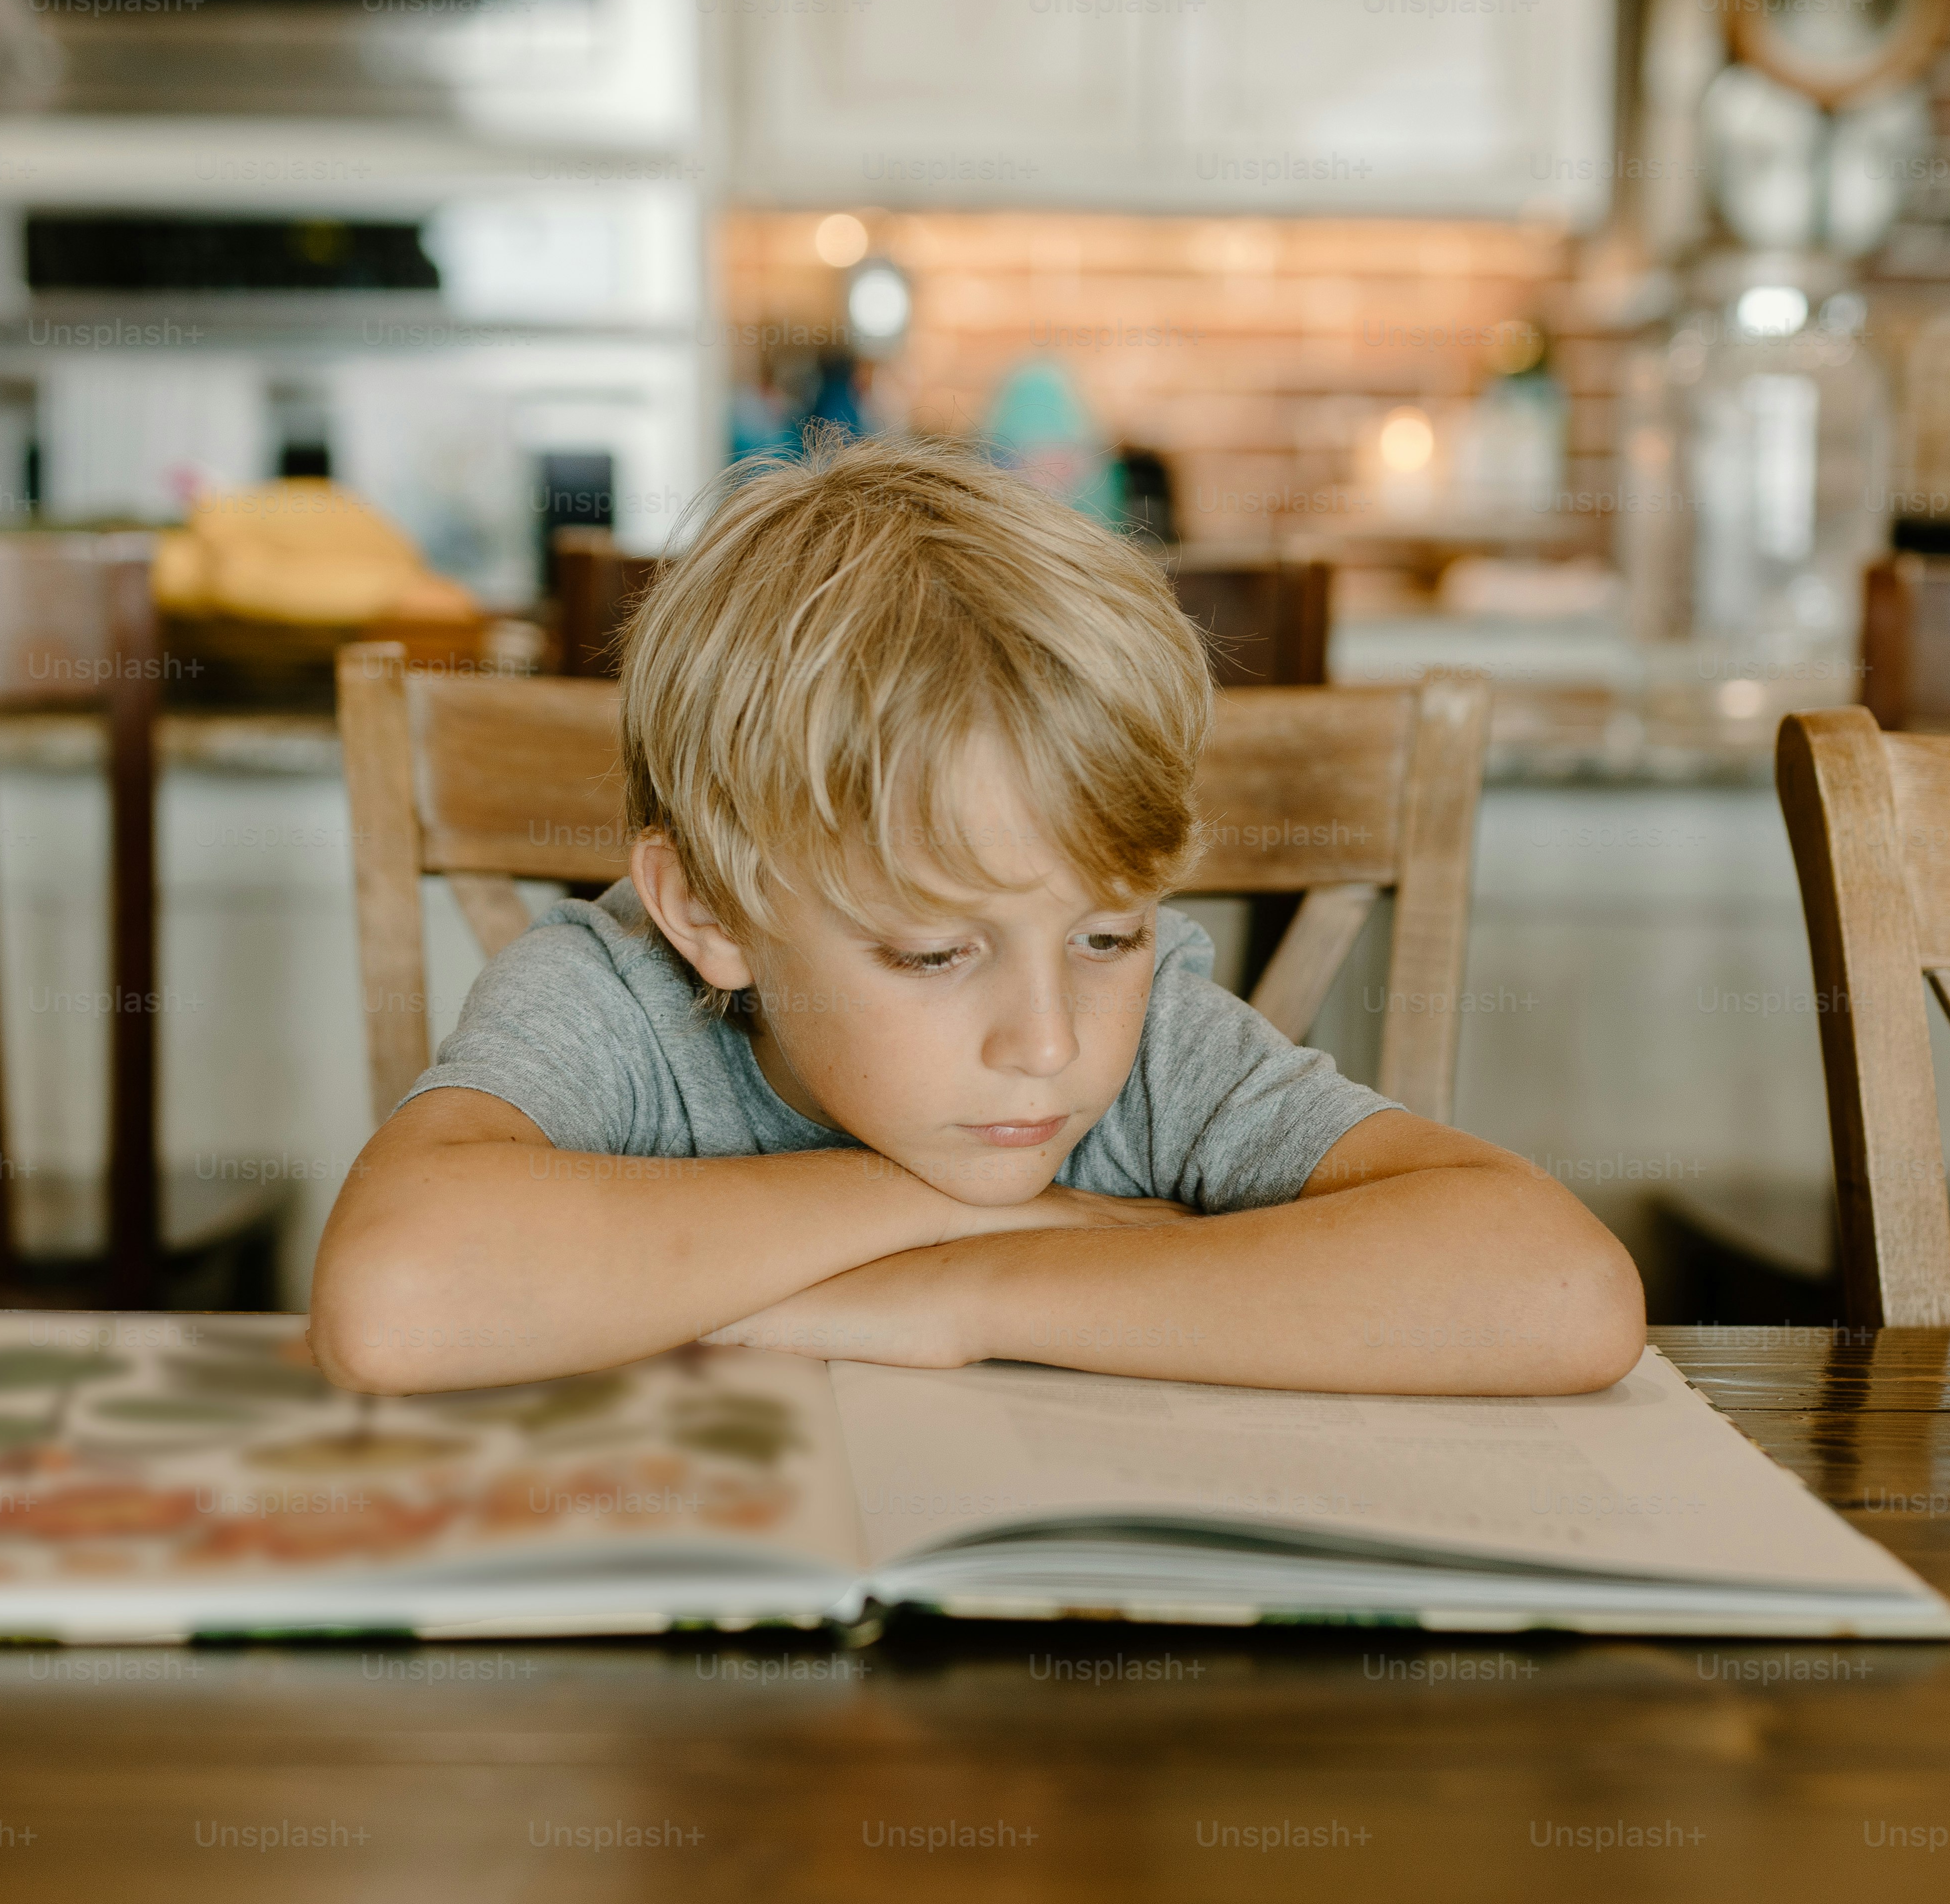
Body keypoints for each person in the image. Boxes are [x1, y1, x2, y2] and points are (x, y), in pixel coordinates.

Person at [311, 436, 1642, 1397]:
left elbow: (1560, 1292)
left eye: (1106, 934)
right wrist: (1003, 1214)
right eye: (936, 953)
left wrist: (965, 1290)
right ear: (711, 913)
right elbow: (398, 1299)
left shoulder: (1155, 1037)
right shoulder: (615, 999)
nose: (1050, 1042)